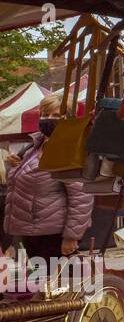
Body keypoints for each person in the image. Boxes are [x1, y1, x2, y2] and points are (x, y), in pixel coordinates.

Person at [3, 94, 92, 272]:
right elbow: (18, 184)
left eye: (55, 115)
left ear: (67, 118)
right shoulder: (34, 146)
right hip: (32, 231)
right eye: (45, 114)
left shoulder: (68, 148)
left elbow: (81, 197)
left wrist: (71, 236)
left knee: (60, 289)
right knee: (42, 285)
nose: (48, 119)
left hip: (54, 234)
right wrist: (12, 166)